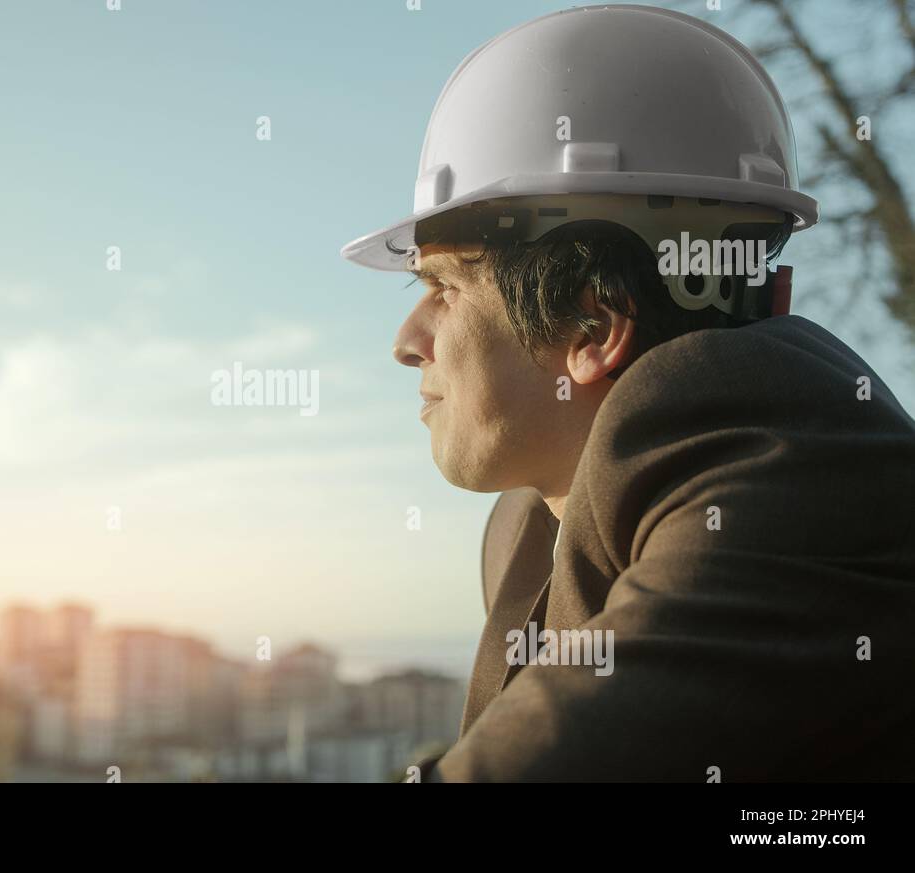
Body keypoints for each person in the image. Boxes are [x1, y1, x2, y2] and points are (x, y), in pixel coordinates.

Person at [340, 5, 915, 781]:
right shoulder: (533, 527)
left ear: (594, 322)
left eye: (444, 286)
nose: (407, 341)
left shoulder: (788, 469)